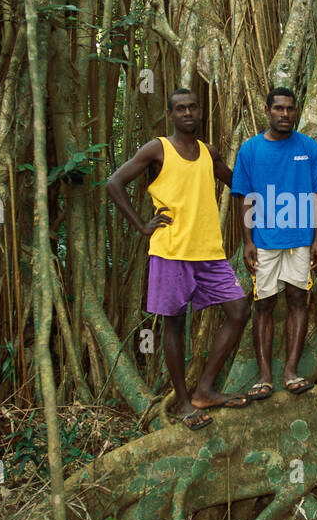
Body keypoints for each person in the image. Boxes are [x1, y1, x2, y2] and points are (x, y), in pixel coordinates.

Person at [105, 88, 249, 430]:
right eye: (180, 108)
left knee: (240, 310)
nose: (187, 113)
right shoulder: (158, 148)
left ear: (200, 111)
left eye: (192, 107)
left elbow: (238, 183)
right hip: (171, 251)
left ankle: (205, 389)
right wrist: (141, 225)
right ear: (171, 114)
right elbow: (114, 183)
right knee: (175, 323)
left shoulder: (207, 152)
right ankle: (183, 402)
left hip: (209, 251)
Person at [231, 87, 317, 399]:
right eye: (279, 109)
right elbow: (245, 198)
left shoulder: (310, 148)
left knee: (298, 300)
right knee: (264, 304)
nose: (285, 114)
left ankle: (290, 371)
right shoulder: (249, 150)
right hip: (264, 240)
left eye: (290, 109)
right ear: (267, 110)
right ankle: (264, 376)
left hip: (301, 239)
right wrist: (247, 241)